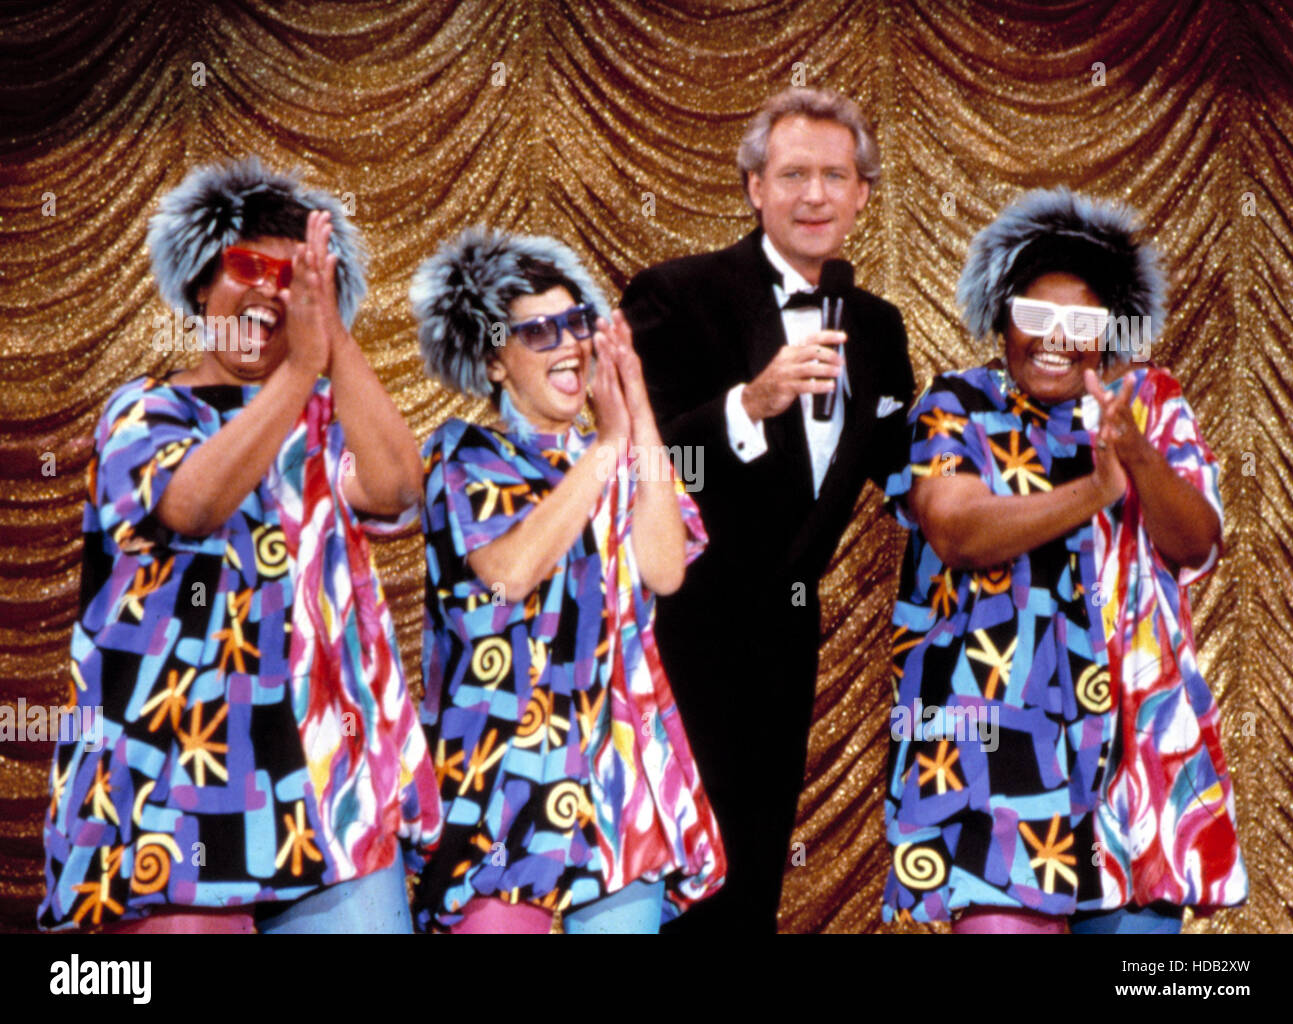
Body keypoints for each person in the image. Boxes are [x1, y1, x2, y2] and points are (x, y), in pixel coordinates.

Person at [38, 157, 442, 933]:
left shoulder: (321, 428)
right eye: (248, 267)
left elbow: (396, 489)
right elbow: (193, 504)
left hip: (324, 788)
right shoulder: (143, 414)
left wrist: (334, 339)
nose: (267, 291)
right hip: (176, 785)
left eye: (292, 279)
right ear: (200, 285)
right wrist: (300, 375)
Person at [884, 187, 1248, 933]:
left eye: (1079, 323)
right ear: (1003, 318)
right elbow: (956, 531)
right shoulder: (957, 403)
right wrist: (1096, 490)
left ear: (1109, 331)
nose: (1055, 338)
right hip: (996, 738)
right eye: (1035, 316)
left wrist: (1136, 453)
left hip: (1136, 740)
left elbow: (1198, 543)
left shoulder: (1153, 401)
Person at [620, 87, 915, 932]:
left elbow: (906, 466)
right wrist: (747, 406)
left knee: (752, 880)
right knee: (670, 877)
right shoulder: (677, 294)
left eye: (835, 176)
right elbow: (645, 458)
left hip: (787, 635)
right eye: (793, 175)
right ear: (754, 188)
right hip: (676, 629)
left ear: (863, 194)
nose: (814, 195)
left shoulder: (878, 327)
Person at [408, 227, 725, 933]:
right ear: (495, 362)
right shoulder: (461, 455)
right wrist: (608, 446)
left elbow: (665, 570)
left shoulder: (620, 450)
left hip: (616, 772)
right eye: (539, 332)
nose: (569, 344)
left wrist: (636, 412)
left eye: (577, 322)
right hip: (502, 774)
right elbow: (510, 574)